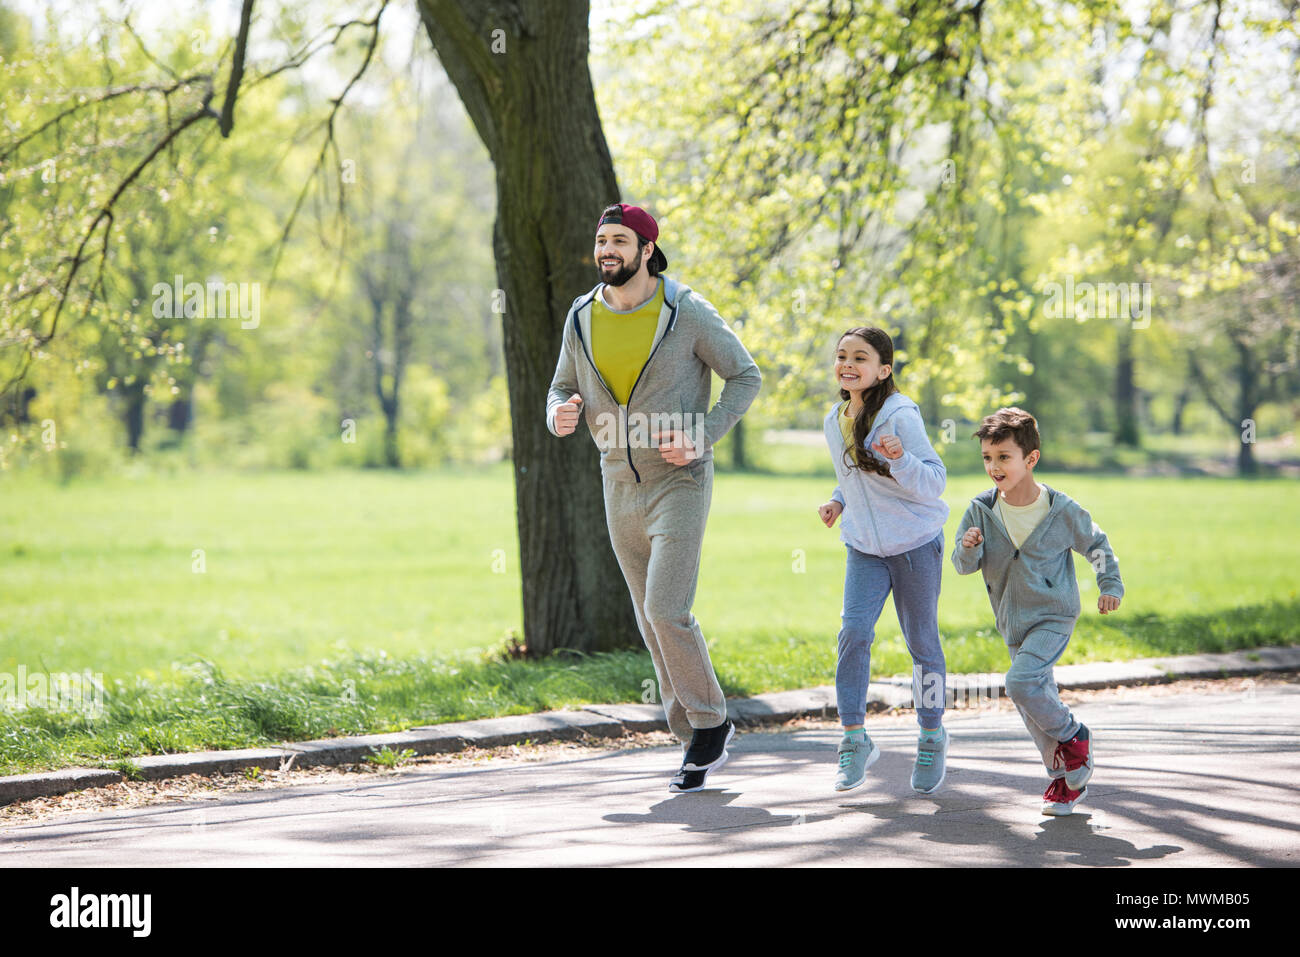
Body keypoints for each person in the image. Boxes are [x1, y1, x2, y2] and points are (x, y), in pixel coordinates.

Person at [546, 202, 762, 793]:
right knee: (648, 619)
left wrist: (702, 435)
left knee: (668, 608)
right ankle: (689, 734)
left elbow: (746, 376)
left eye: (619, 240)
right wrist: (558, 414)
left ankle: (711, 724)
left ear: (647, 249)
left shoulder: (685, 312)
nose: (606, 251)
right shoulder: (581, 315)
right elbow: (561, 386)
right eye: (600, 241)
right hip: (616, 480)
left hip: (679, 482)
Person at [951, 407, 1124, 815]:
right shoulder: (981, 509)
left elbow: (1096, 546)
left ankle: (1074, 736)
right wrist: (969, 546)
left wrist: (1110, 584)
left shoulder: (1061, 511)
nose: (994, 467)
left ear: (1031, 459)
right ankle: (1066, 779)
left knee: (1021, 683)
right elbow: (962, 565)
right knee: (1031, 701)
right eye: (988, 458)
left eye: (1004, 457)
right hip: (1012, 621)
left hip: (1053, 615)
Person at [817, 327, 950, 794]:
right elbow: (853, 479)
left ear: (883, 369)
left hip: (915, 544)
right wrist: (839, 501)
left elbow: (934, 481)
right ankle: (854, 738)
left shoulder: (900, 413)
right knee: (853, 633)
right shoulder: (835, 419)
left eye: (860, 357)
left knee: (922, 643)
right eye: (841, 356)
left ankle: (932, 735)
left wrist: (900, 460)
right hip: (864, 549)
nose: (848, 364)